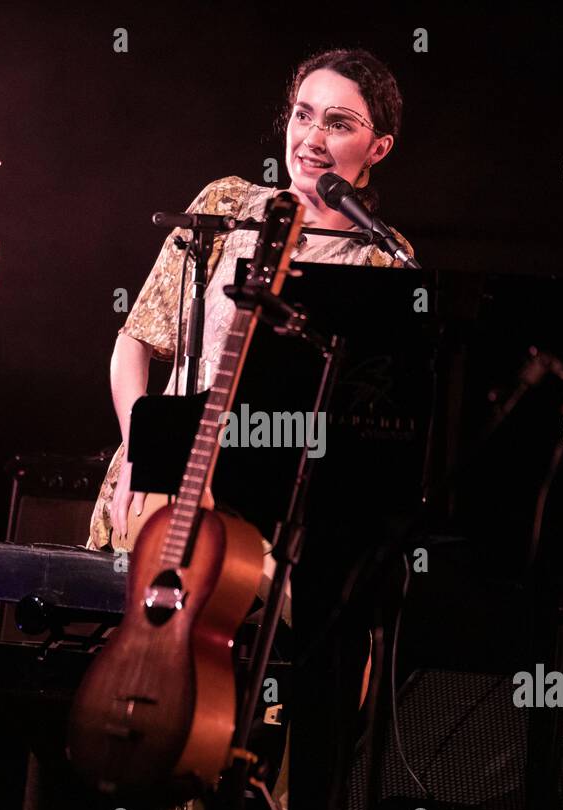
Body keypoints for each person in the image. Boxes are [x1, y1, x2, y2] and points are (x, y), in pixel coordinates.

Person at [87, 47, 416, 553]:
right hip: (158, 492)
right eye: (303, 115)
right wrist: (141, 453)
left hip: (274, 524)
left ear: (379, 148)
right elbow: (133, 342)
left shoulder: (384, 258)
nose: (311, 139)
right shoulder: (228, 205)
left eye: (339, 124)